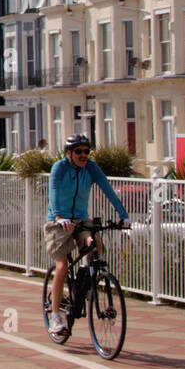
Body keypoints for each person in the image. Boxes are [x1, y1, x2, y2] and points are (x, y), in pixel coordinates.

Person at [45, 133, 130, 335]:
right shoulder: (60, 168)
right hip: (59, 222)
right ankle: (56, 317)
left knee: (96, 243)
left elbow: (108, 190)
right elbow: (54, 191)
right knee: (63, 266)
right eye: (79, 152)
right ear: (69, 153)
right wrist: (58, 216)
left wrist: (123, 215)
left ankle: (87, 276)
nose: (84, 155)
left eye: (86, 151)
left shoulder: (91, 167)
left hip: (82, 219)